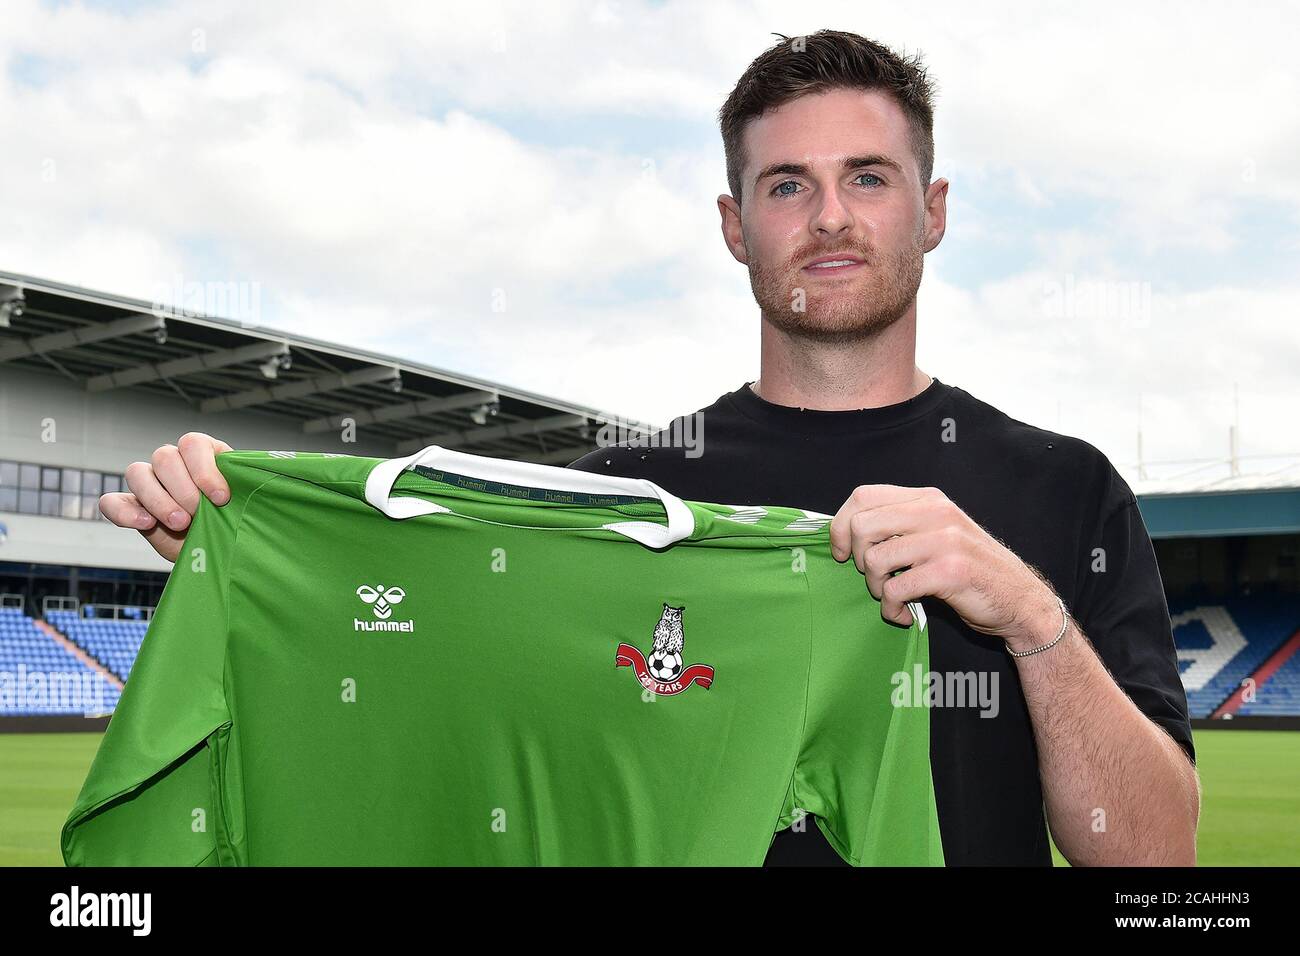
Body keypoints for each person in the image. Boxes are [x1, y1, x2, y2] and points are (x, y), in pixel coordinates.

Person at [101, 30, 1198, 866]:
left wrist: (1030, 616)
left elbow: (1155, 858)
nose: (827, 217)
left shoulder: (1065, 490)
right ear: (734, 225)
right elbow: (419, 691)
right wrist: (246, 547)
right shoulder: (611, 498)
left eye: (867, 176)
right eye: (786, 185)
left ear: (934, 209)